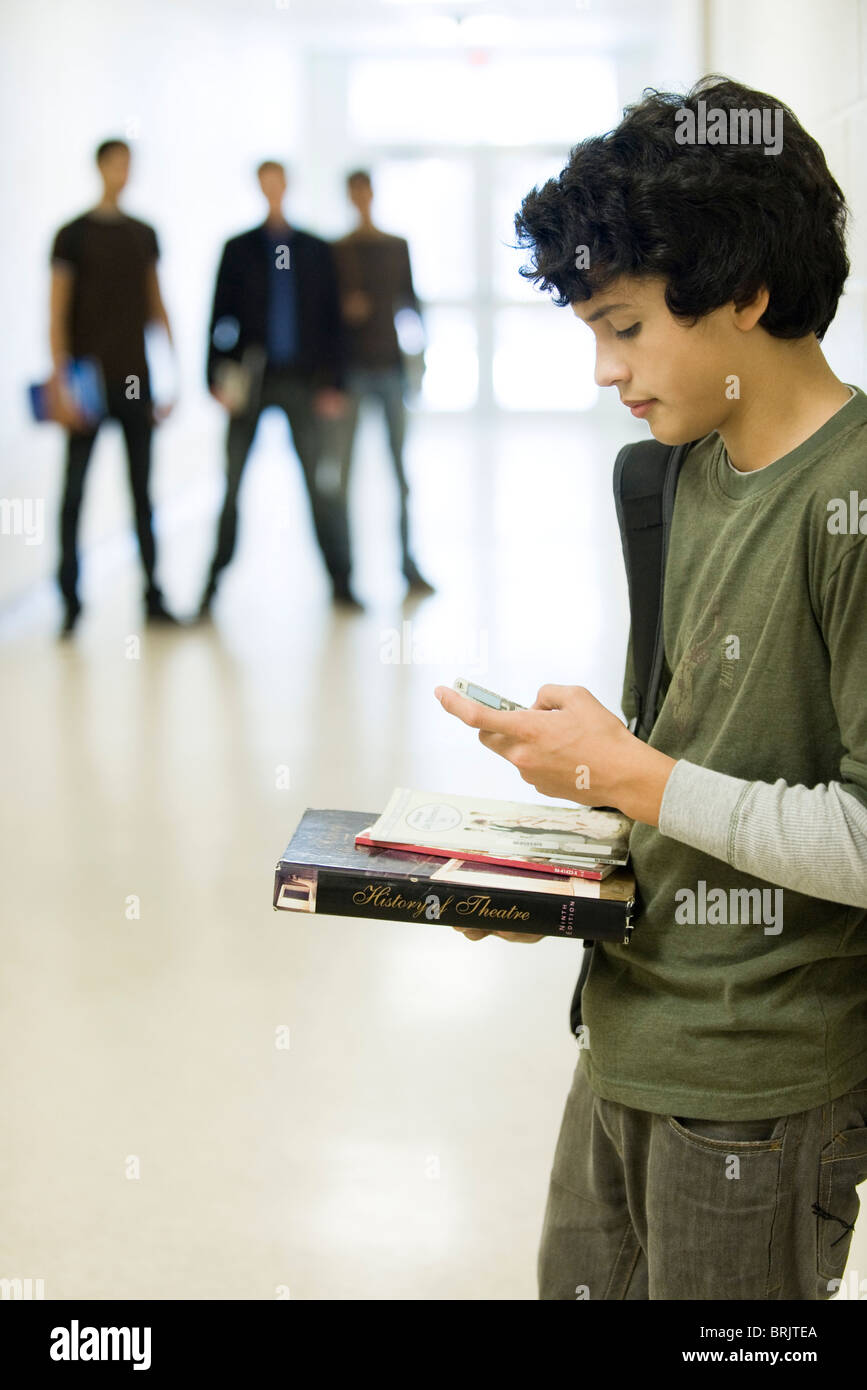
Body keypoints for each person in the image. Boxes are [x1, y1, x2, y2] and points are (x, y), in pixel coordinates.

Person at [434, 74, 867, 1301]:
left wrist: (633, 771)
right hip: (623, 1030)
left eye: (624, 328)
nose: (603, 371)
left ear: (747, 292)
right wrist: (550, 874)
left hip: (758, 1092)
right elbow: (691, 766)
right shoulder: (666, 478)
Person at [199, 160, 358, 615]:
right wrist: (215, 378)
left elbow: (334, 324)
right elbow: (218, 319)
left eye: (278, 182)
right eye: (264, 182)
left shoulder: (314, 250)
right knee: (231, 485)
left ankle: (342, 582)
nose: (272, 189)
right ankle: (210, 587)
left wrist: (336, 384)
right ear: (259, 187)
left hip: (305, 383)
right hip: (251, 381)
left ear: (287, 185)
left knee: (321, 484)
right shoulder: (239, 249)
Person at [50, 138, 178, 636]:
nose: (122, 173)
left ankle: (153, 595)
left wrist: (171, 373)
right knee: (74, 492)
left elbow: (156, 305)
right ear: (100, 168)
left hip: (133, 378)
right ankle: (69, 601)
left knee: (142, 490)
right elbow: (56, 312)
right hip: (86, 379)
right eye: (115, 165)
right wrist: (61, 381)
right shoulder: (72, 236)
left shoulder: (143, 235)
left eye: (129, 165)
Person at [331, 170, 434, 595]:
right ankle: (344, 575)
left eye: (365, 191)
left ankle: (407, 566)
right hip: (353, 373)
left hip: (390, 369)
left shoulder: (396, 248)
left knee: (399, 473)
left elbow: (412, 303)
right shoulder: (336, 251)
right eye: (354, 192)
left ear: (371, 193)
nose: (361, 198)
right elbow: (325, 315)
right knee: (341, 476)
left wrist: (420, 362)